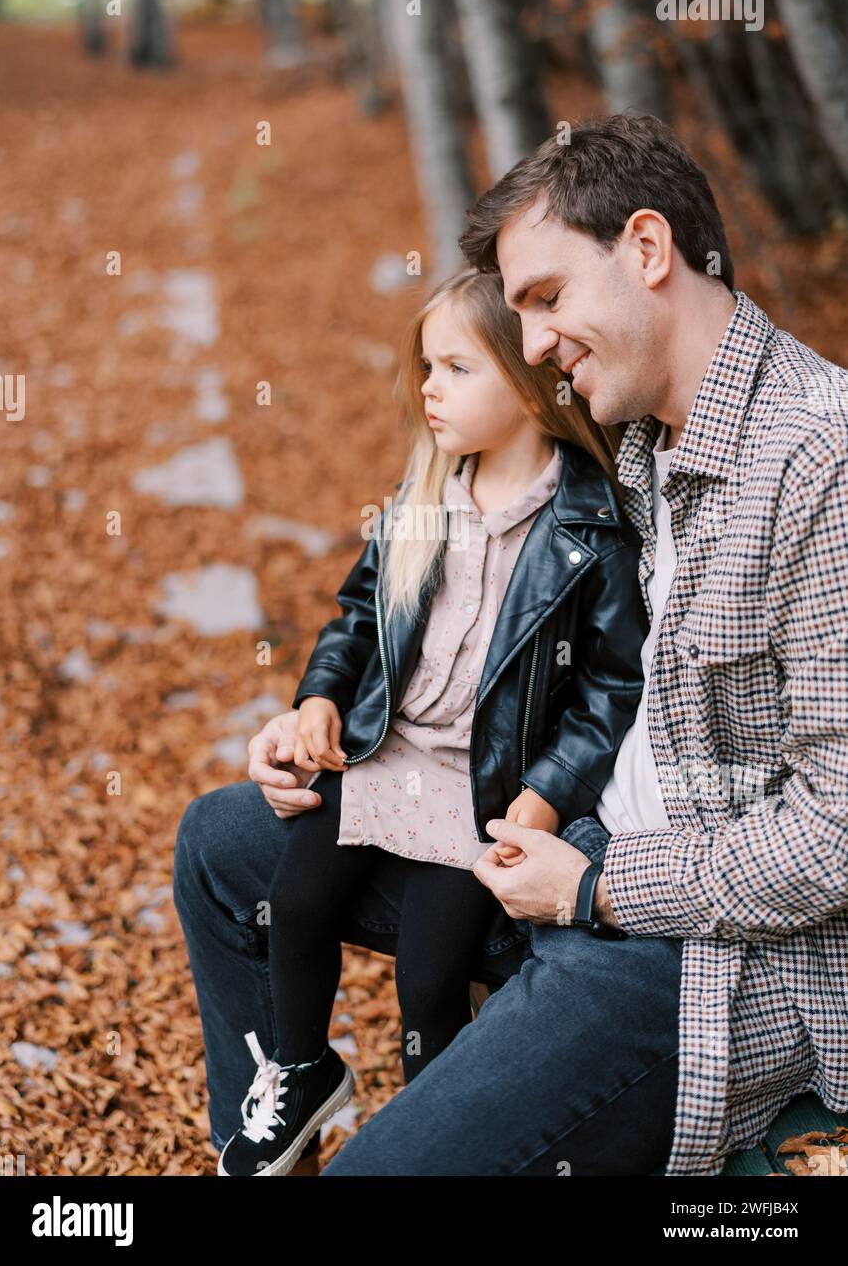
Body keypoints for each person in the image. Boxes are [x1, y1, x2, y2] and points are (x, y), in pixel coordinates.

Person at [210, 266, 648, 1176]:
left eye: (454, 368)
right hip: (385, 755)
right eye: (425, 367)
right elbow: (359, 617)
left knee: (431, 972)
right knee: (294, 902)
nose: (427, 389)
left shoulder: (587, 525)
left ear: (530, 387)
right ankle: (302, 1069)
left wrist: (542, 796)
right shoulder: (424, 495)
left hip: (479, 790)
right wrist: (321, 698)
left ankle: (433, 1125)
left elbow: (611, 684)